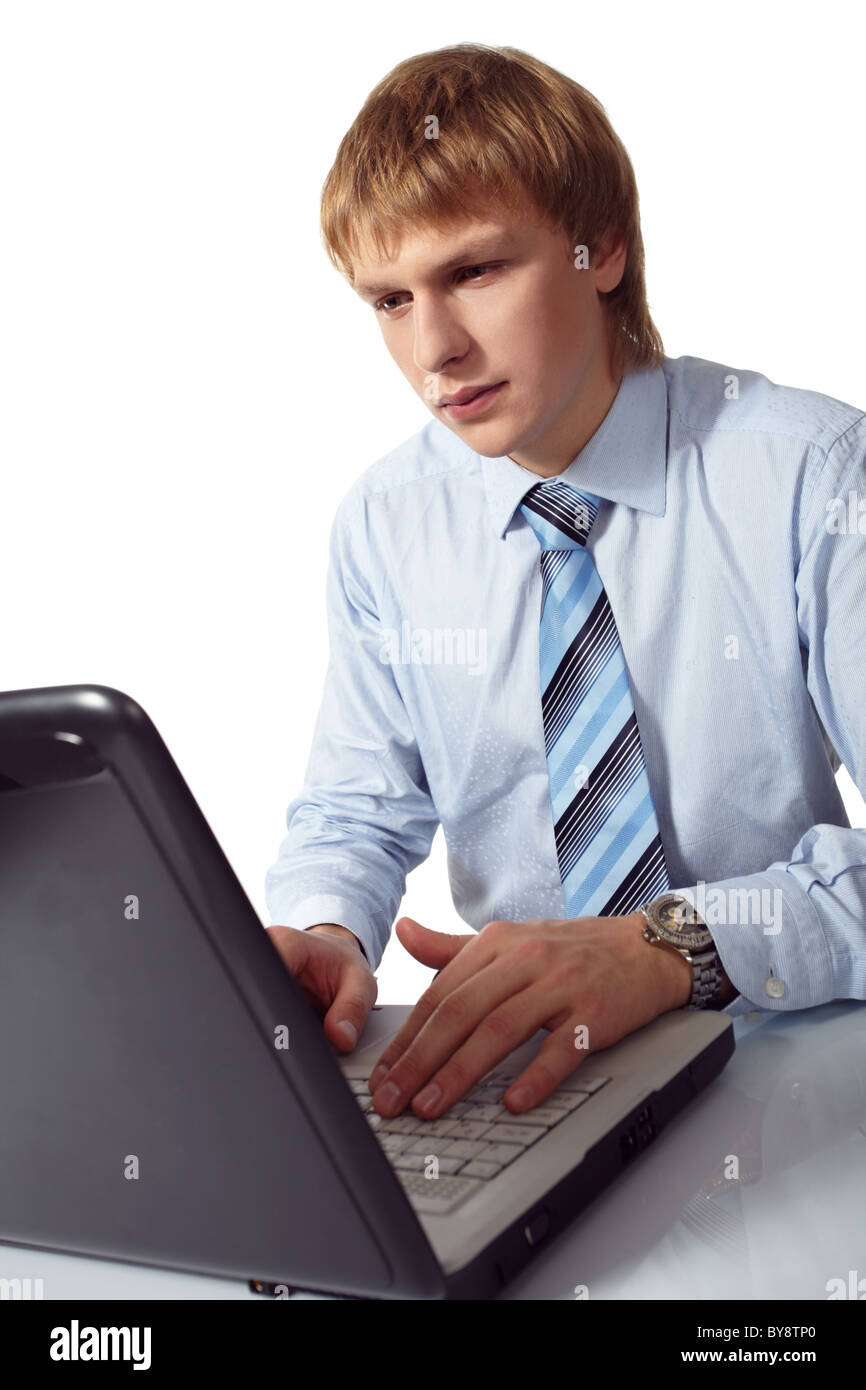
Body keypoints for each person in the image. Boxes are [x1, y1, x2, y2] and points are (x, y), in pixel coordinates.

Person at [264, 43, 866, 1123]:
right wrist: (325, 933)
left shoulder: (806, 473)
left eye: (474, 272)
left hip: (791, 1085)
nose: (434, 350)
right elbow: (354, 807)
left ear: (604, 250)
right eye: (389, 301)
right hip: (516, 1093)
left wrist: (671, 948)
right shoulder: (387, 524)